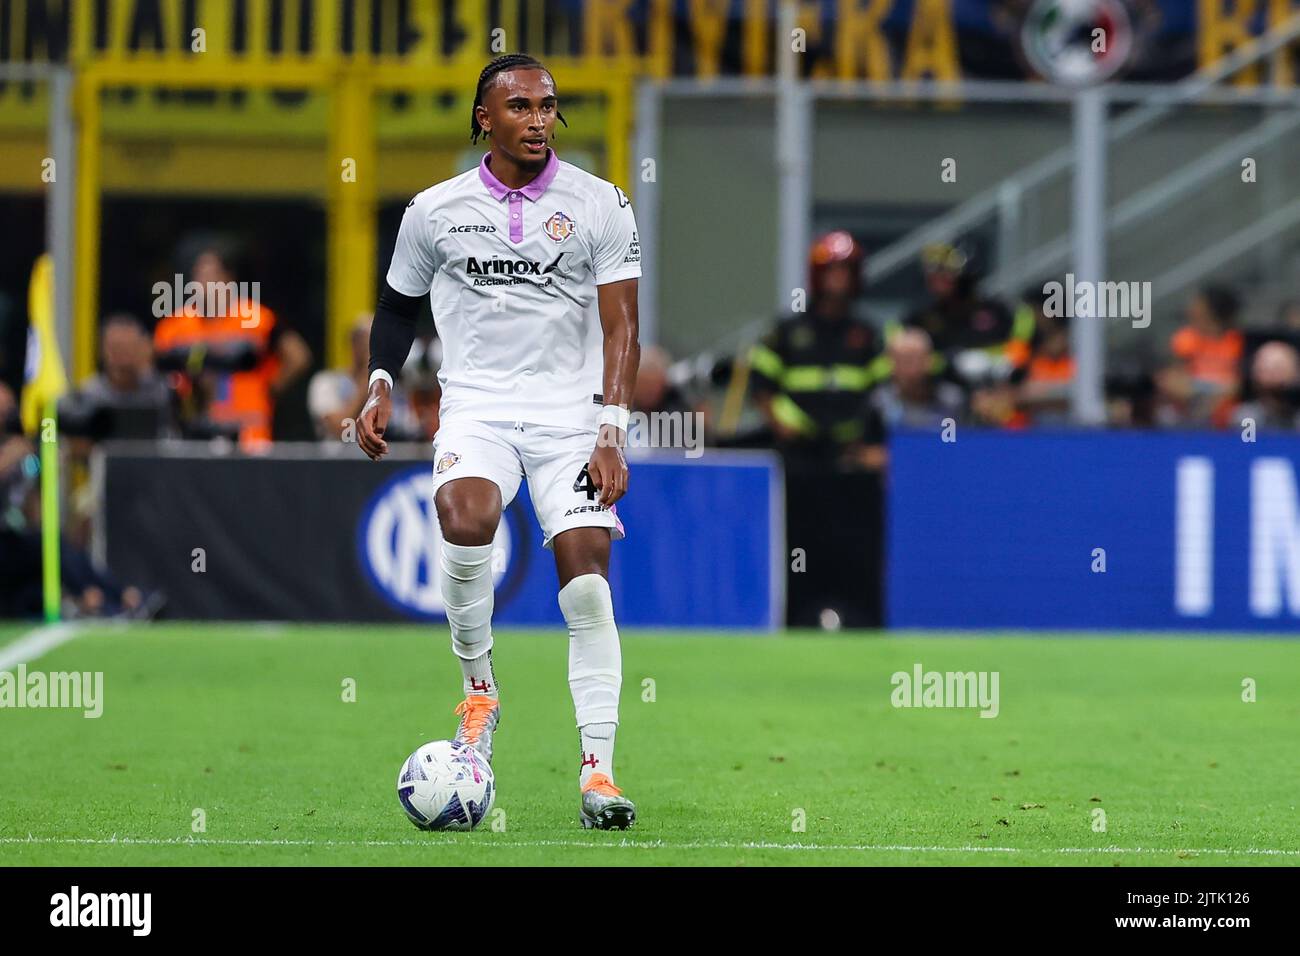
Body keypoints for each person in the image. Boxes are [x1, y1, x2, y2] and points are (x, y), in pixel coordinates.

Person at [356, 54, 642, 830]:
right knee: (464, 514)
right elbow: (396, 308)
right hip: (478, 405)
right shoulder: (434, 210)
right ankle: (480, 690)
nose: (538, 119)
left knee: (586, 581)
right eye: (520, 106)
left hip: (572, 415)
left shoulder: (600, 203)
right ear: (485, 118)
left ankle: (599, 771)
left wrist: (611, 428)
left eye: (548, 106)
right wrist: (381, 383)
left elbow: (623, 324)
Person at [748, 229, 886, 468]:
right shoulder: (788, 331)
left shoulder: (867, 333)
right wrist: (779, 425)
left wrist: (872, 444)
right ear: (818, 274)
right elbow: (761, 384)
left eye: (845, 271)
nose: (839, 279)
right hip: (796, 451)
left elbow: (884, 391)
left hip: (849, 453)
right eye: (832, 271)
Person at [153, 242, 312, 447]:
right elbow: (158, 370)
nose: (203, 284)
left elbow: (299, 356)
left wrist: (267, 389)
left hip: (249, 430)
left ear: (228, 279)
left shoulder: (254, 317)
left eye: (211, 276)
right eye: (198, 277)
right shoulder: (175, 325)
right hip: (192, 431)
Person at [1157, 285, 1243, 427]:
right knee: (1166, 414)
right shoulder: (1185, 339)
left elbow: (1237, 384)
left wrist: (1215, 398)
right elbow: (1172, 379)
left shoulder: (1237, 341)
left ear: (1211, 310)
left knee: (1246, 415)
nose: (1191, 308)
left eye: (1198, 304)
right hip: (1189, 405)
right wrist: (1198, 395)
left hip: (1226, 410)